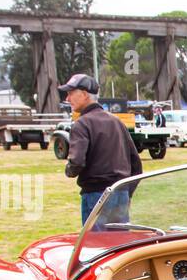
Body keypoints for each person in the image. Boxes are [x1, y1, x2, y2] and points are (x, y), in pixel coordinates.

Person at [60, 73, 141, 225]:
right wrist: (126, 193)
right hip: (120, 192)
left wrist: (68, 169)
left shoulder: (81, 124)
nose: (67, 99)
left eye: (71, 93)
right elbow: (136, 164)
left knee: (97, 246)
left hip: (95, 195)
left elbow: (76, 162)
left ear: (84, 94)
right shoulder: (116, 122)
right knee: (121, 245)